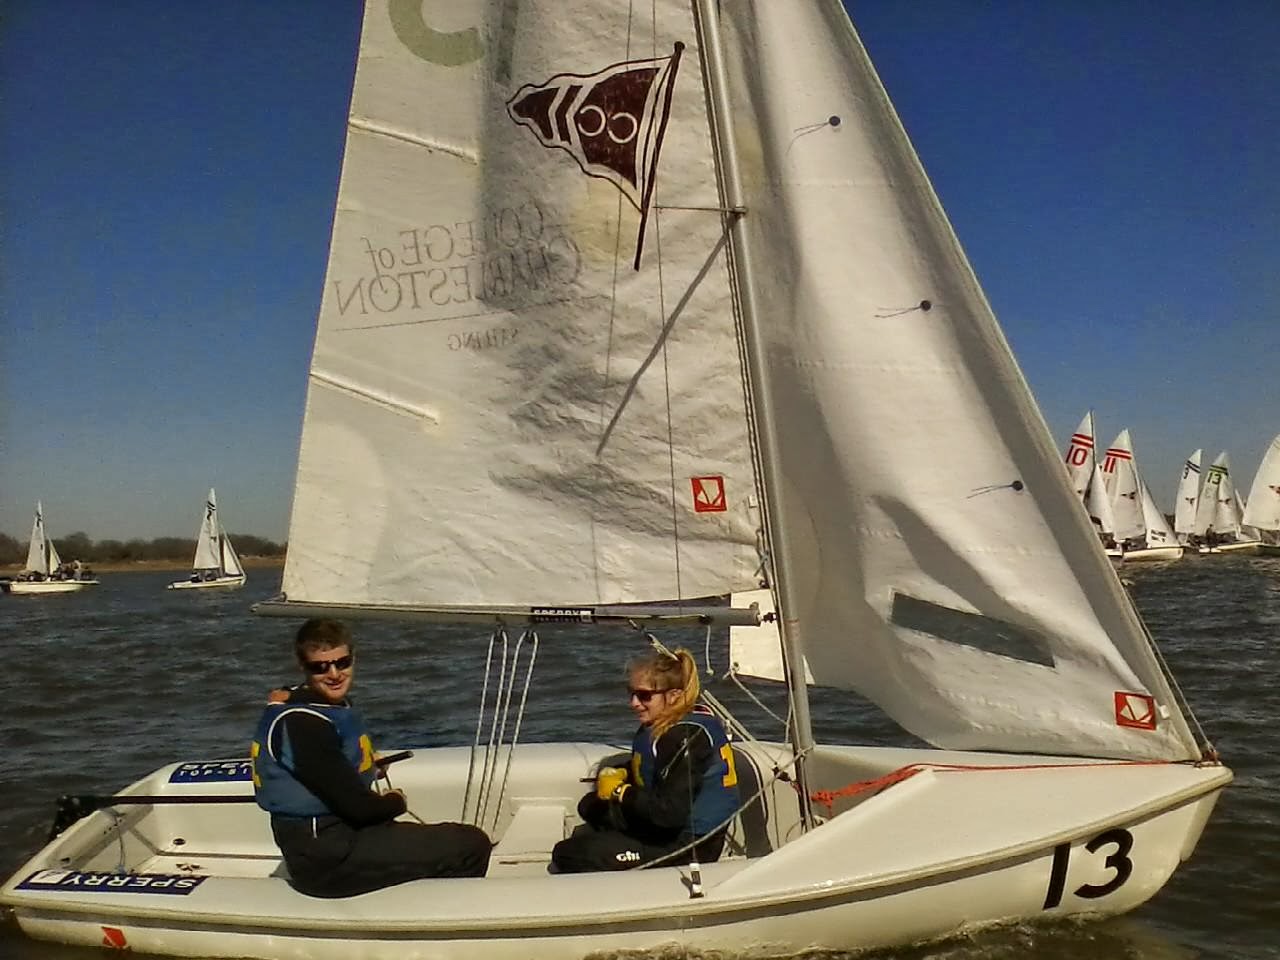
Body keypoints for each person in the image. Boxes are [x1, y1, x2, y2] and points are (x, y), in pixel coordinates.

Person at [251, 618, 492, 896]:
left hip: (333, 839)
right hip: (327, 857)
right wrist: (396, 802)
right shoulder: (304, 725)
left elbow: (325, 768)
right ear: (302, 666)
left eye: (342, 662)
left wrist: (366, 768)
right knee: (471, 845)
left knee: (439, 840)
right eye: (320, 667)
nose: (334, 674)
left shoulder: (304, 702)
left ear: (354, 657)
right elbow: (360, 809)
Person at [551, 647, 739, 873]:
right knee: (589, 806)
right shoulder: (669, 723)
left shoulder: (684, 738)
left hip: (689, 844)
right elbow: (658, 771)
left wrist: (621, 792)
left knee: (567, 853)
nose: (634, 703)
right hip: (662, 824)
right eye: (631, 693)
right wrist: (624, 772)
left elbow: (668, 813)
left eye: (644, 696)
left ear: (674, 696)